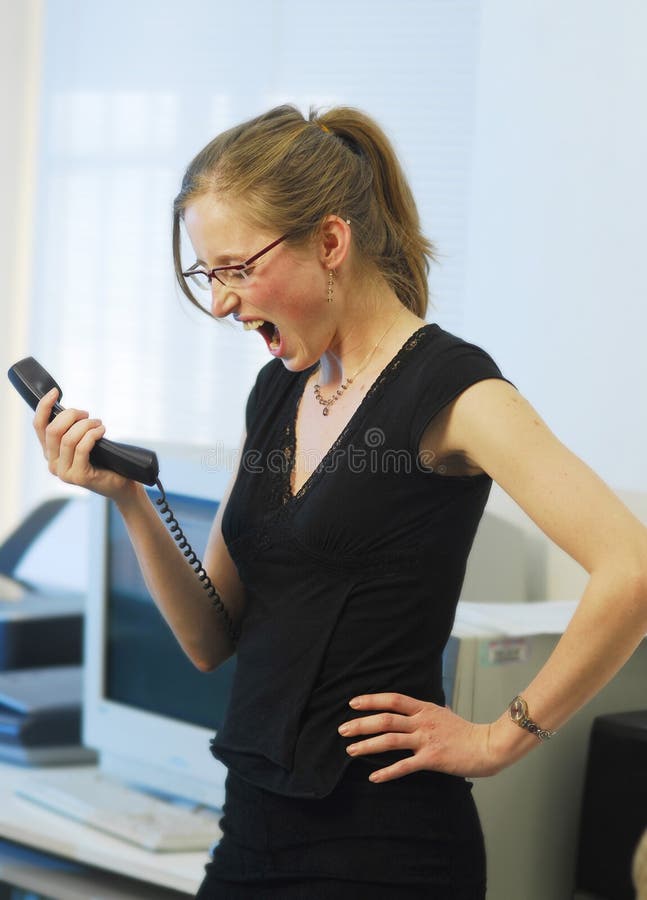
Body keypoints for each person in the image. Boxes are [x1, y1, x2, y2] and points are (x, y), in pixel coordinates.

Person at [33, 105, 647, 899]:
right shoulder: (277, 389)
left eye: (234, 268)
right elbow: (211, 637)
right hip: (251, 829)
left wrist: (500, 739)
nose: (220, 302)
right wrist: (125, 500)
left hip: (383, 850)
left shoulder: (454, 391)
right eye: (204, 275)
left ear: (329, 242)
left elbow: (630, 568)